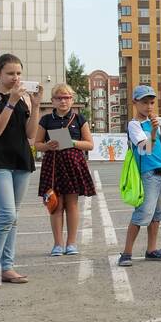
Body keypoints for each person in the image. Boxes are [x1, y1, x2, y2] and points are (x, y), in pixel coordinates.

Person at [0, 54, 41, 290]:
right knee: (6, 215)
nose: (16, 78)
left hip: (21, 160)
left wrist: (35, 107)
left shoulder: (23, 99)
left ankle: (7, 266)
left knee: (14, 217)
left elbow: (31, 134)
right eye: (10, 73)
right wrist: (11, 101)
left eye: (19, 73)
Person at [34, 84, 96, 256]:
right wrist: (47, 146)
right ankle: (58, 244)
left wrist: (72, 142)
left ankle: (71, 243)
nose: (63, 101)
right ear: (53, 100)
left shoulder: (79, 119)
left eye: (67, 97)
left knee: (72, 205)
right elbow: (37, 144)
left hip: (73, 165)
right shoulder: (45, 120)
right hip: (52, 166)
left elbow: (90, 144)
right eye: (59, 98)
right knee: (55, 205)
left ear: (72, 100)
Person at [119, 84, 161, 266]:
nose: (149, 107)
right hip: (148, 173)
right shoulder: (134, 125)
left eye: (151, 103)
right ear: (135, 103)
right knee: (142, 214)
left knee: (157, 214)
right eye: (144, 103)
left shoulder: (152, 122)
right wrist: (154, 131)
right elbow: (145, 148)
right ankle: (126, 253)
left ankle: (151, 249)